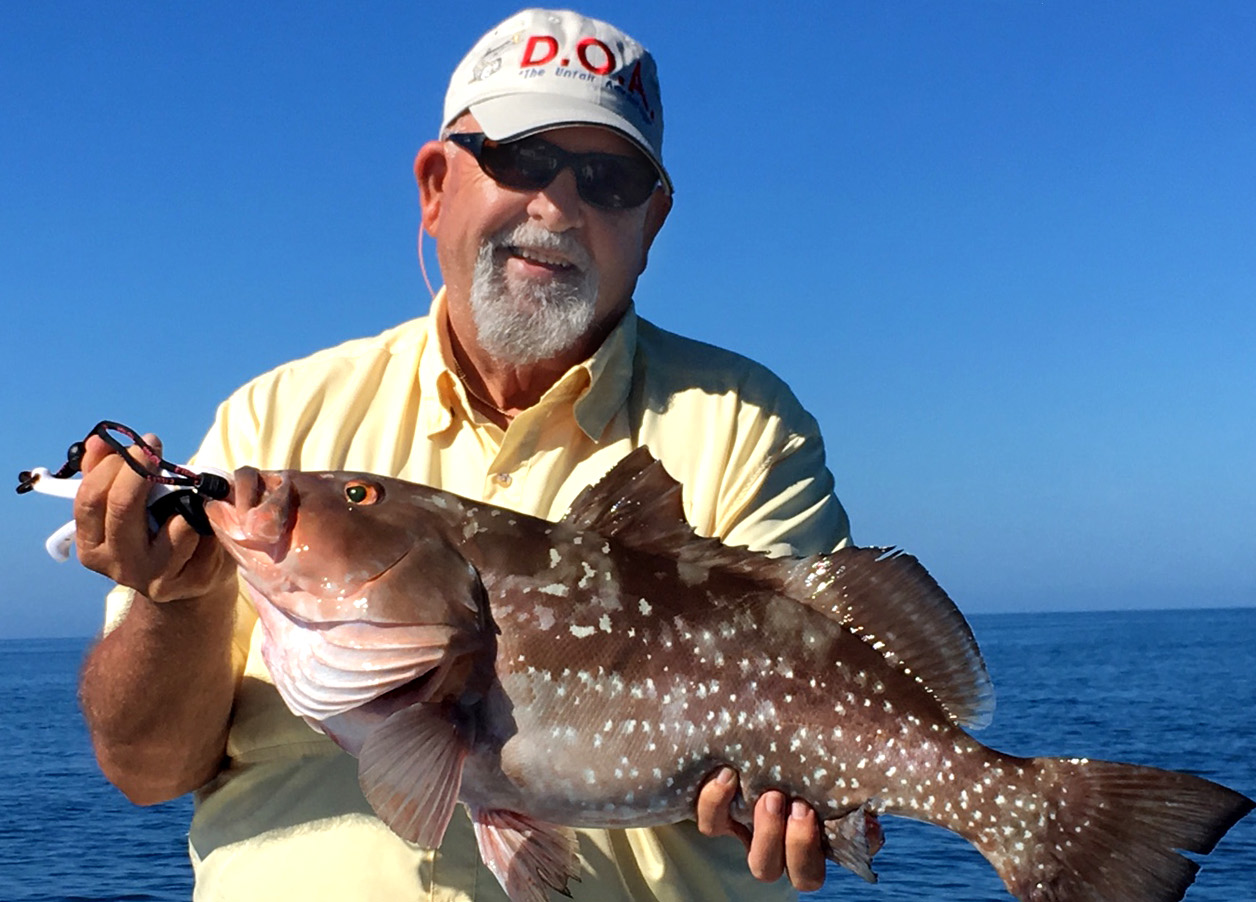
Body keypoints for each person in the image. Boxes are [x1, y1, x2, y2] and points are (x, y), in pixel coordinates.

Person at [74, 9, 851, 901]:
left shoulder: (746, 426)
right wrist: (174, 602)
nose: (558, 207)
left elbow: (824, 690)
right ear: (436, 187)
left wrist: (797, 801)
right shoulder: (275, 418)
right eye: (520, 159)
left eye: (610, 178)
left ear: (653, 221)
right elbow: (145, 771)